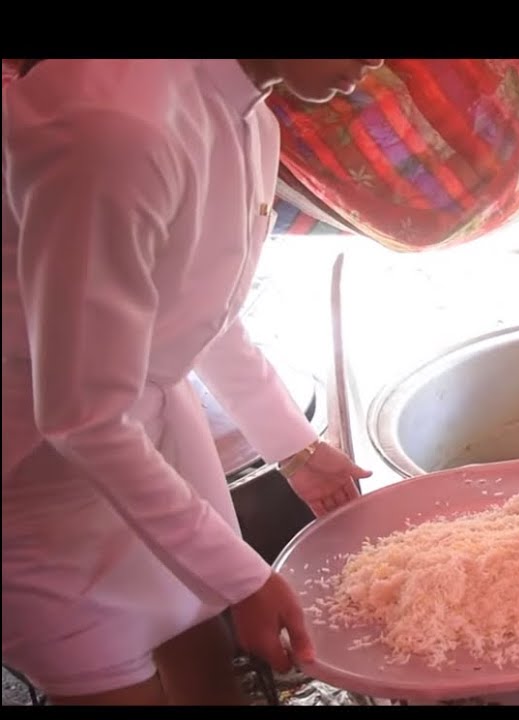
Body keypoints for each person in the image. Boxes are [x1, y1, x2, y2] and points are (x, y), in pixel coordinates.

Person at [1, 58, 383, 705]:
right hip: (37, 484)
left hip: (147, 446)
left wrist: (293, 446)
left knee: (206, 671)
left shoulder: (250, 115)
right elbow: (80, 420)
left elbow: (201, 312)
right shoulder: (117, 130)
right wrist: (245, 579)